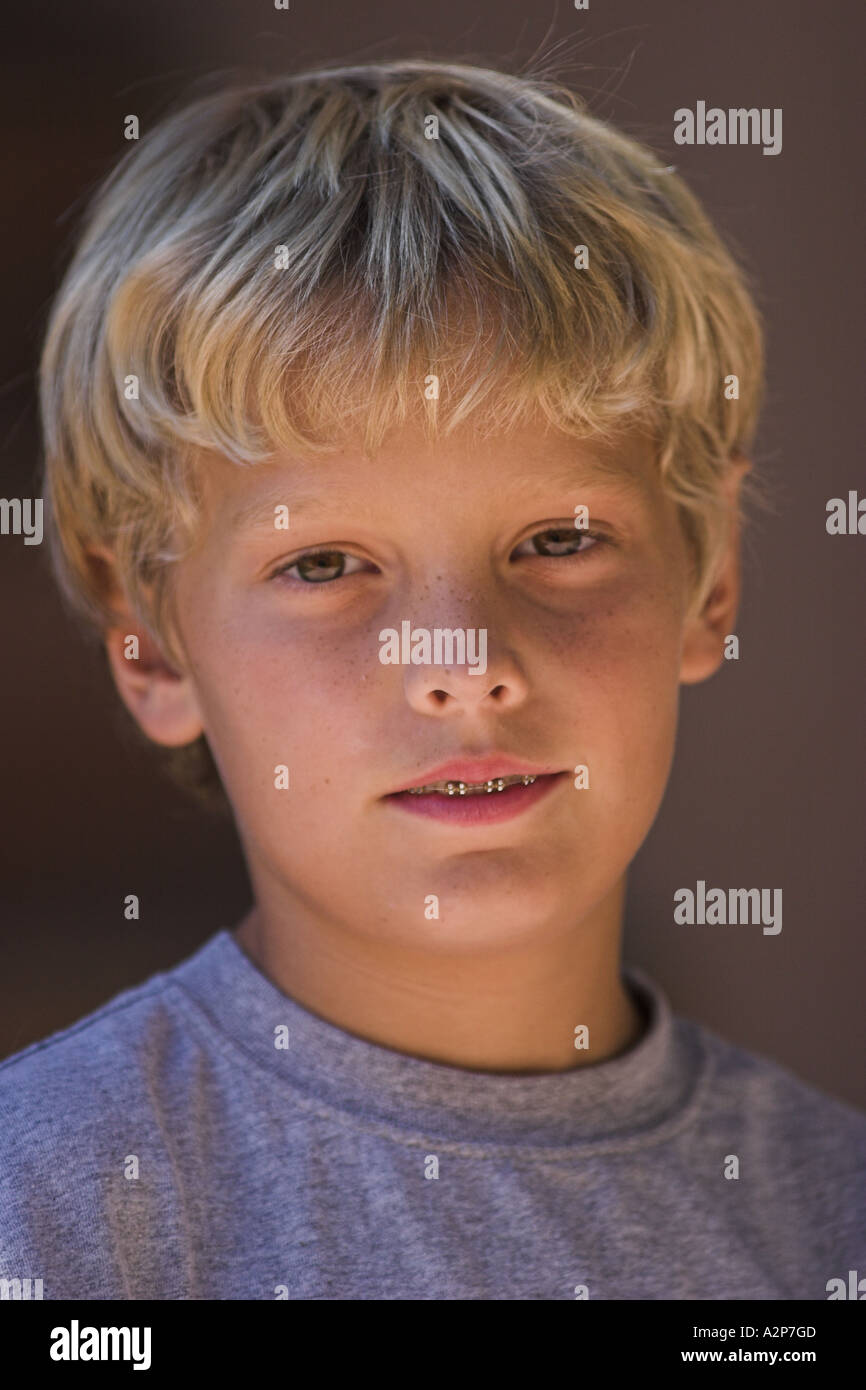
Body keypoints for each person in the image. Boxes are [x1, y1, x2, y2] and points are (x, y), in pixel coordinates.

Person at [1, 58, 862, 1300]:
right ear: (148, 636)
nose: (464, 669)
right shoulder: (51, 1222)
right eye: (327, 563)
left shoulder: (827, 1222)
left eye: (557, 542)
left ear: (710, 573)